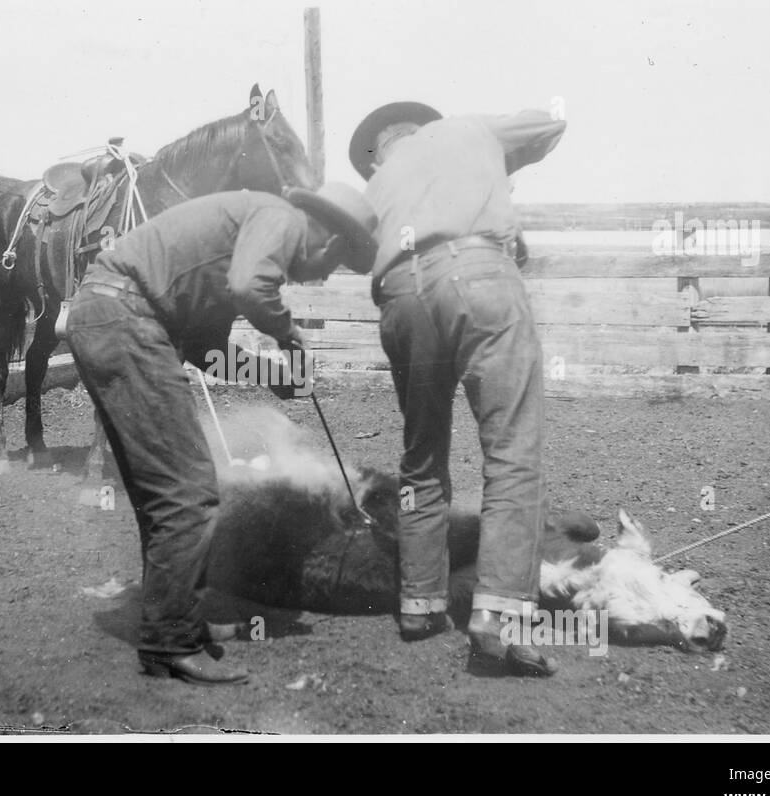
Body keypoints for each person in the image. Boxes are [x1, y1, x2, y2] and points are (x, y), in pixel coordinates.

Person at [65, 184, 378, 685]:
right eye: (334, 265)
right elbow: (253, 289)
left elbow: (206, 350)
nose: (320, 276)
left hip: (108, 317)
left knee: (164, 492)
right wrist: (288, 335)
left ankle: (177, 621)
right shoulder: (281, 217)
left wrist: (275, 377)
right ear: (331, 241)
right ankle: (169, 640)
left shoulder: (241, 238)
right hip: (126, 321)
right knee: (189, 492)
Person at [349, 101, 566, 675]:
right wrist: (491, 162)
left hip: (399, 300)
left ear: (377, 152)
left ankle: (420, 605)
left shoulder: (376, 187)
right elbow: (550, 123)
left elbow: (354, 253)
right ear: (419, 128)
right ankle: (498, 623)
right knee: (512, 452)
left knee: (421, 456)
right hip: (478, 276)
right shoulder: (467, 129)